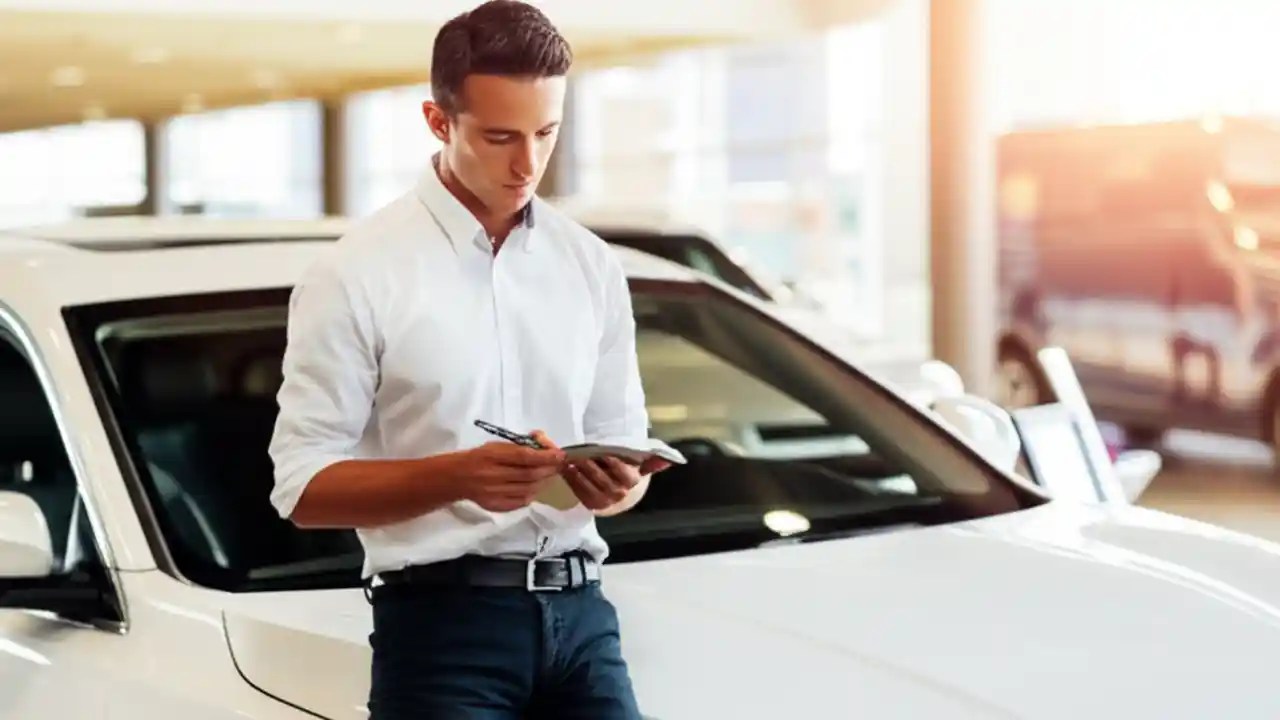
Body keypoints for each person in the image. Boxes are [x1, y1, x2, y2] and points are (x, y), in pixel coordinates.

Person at [267, 2, 671, 717]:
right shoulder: (355, 273)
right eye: (499, 136)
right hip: (442, 632)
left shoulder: (591, 266)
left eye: (547, 133)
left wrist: (617, 486)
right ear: (436, 121)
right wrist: (458, 477)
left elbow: (626, 459)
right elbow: (301, 489)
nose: (528, 163)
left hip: (584, 618)